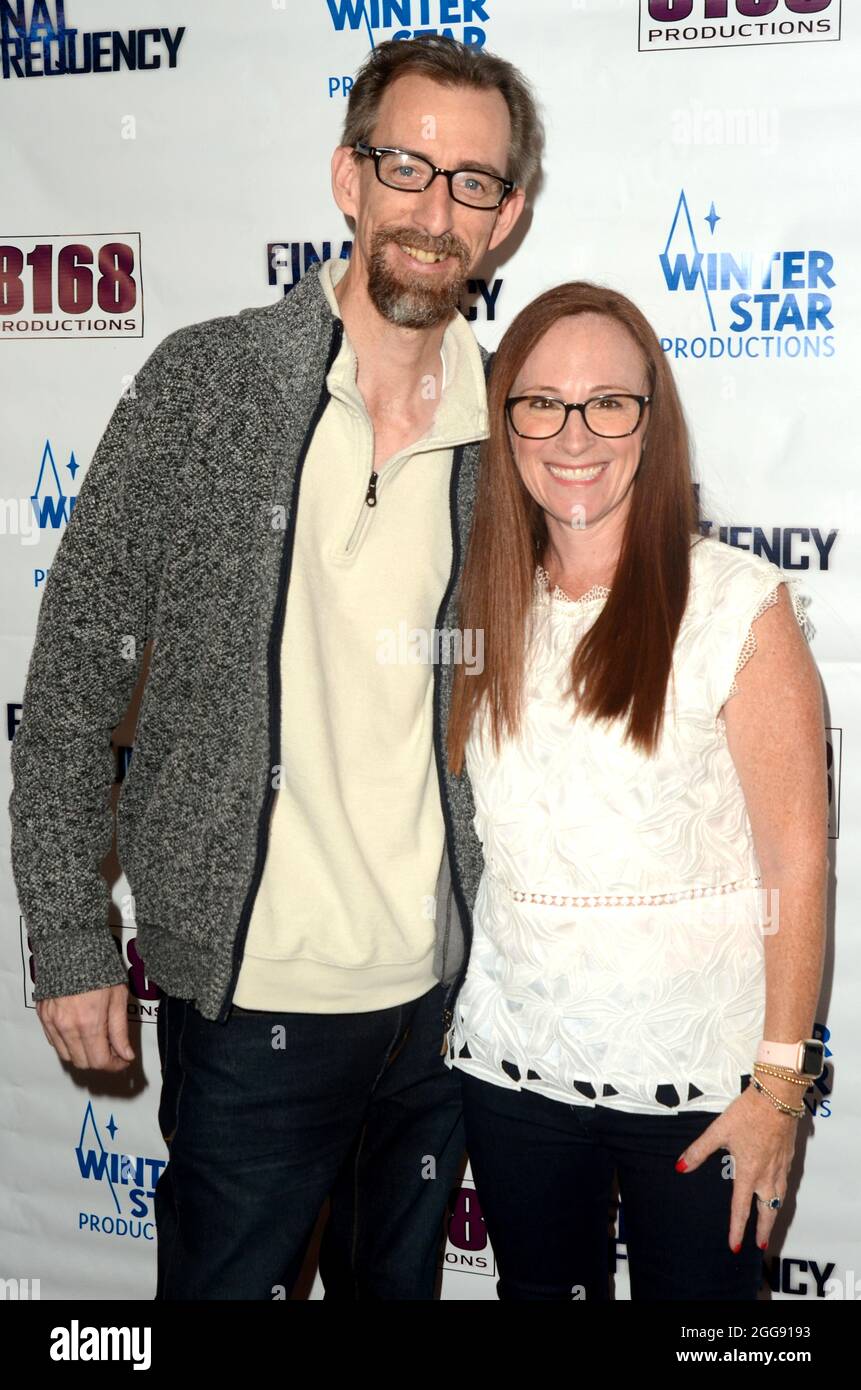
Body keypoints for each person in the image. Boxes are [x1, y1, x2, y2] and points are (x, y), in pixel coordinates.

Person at [7, 36, 539, 1299]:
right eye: (405, 164)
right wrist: (72, 937)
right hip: (248, 1002)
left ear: (507, 217)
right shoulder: (206, 386)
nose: (434, 207)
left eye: (472, 181)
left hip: (441, 1005)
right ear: (347, 178)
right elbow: (76, 673)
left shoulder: (519, 427)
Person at [443, 281, 829, 1301]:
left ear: (652, 424)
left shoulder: (737, 605)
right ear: (507, 421)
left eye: (609, 402)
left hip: (703, 1086)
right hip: (514, 1069)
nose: (575, 433)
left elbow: (796, 858)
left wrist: (780, 1088)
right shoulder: (479, 607)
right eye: (542, 402)